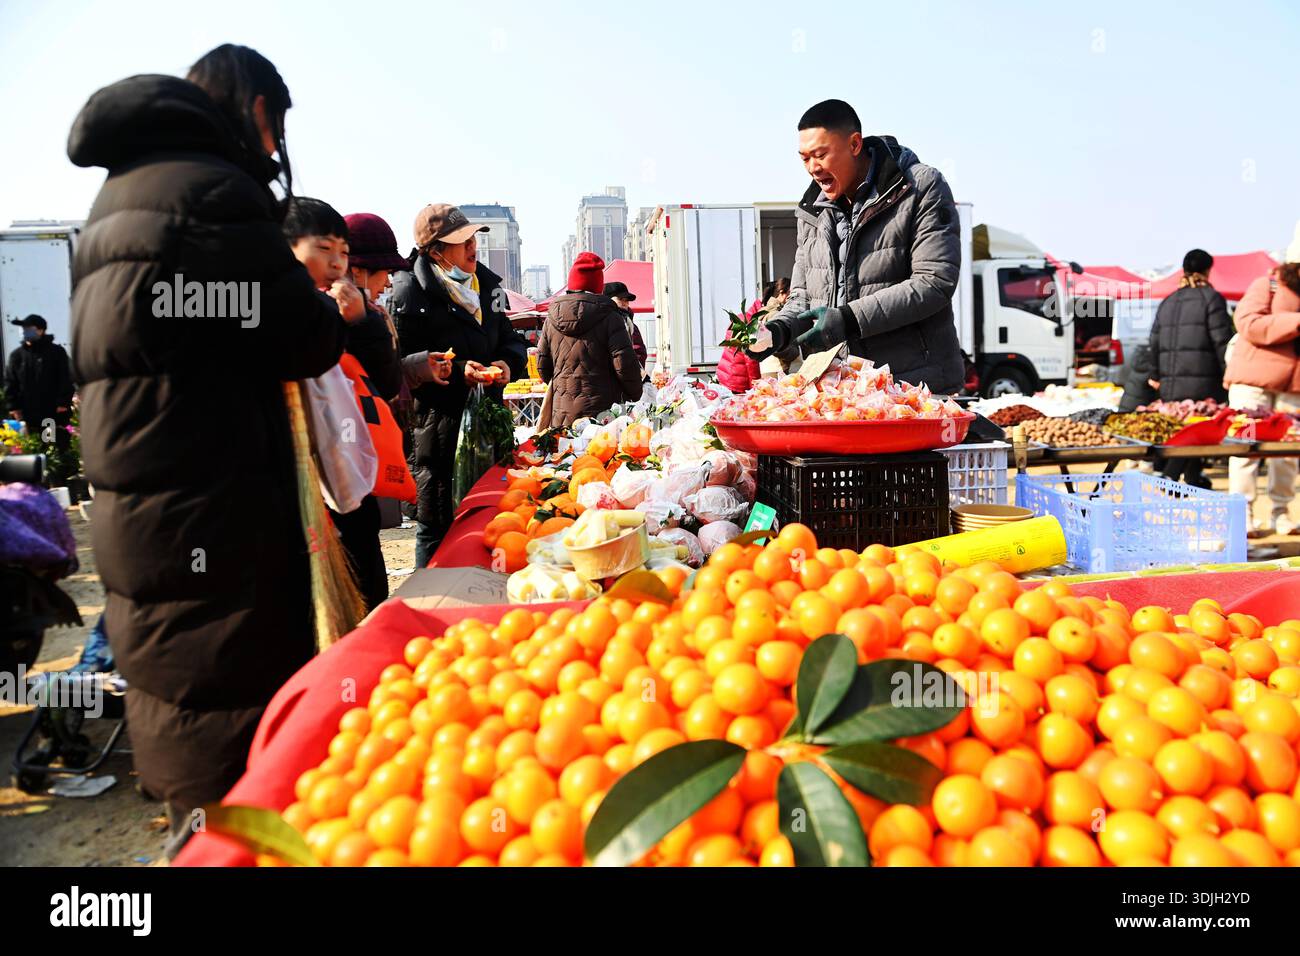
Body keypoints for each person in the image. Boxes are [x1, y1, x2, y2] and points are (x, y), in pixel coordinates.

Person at [66, 44, 362, 856]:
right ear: (258, 110)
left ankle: (197, 838)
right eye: (277, 127)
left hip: (146, 509)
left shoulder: (119, 197)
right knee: (234, 733)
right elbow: (296, 336)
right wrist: (337, 311)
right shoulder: (214, 195)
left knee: (182, 702)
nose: (275, 151)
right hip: (214, 510)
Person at [752, 99, 964, 394]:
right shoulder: (812, 211)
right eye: (804, 158)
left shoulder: (920, 187)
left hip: (912, 389)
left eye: (821, 155)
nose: (813, 168)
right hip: (842, 393)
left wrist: (848, 320)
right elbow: (803, 296)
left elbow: (934, 282)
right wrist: (779, 331)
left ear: (854, 144)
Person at [390, 204, 528, 568]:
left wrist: (505, 365)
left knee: (489, 522)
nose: (472, 246)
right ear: (436, 251)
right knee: (436, 530)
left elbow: (512, 341)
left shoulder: (490, 287)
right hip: (436, 434)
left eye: (472, 238)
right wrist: (457, 371)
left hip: (489, 428)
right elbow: (399, 369)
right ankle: (429, 609)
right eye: (461, 241)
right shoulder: (408, 293)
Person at [284, 198, 400, 612]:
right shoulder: (284, 309)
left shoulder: (362, 311)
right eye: (324, 249)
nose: (336, 262)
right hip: (312, 478)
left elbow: (383, 381)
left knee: (366, 579)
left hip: (351, 469)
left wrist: (361, 320)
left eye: (343, 251)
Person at [1223, 239, 1300, 536]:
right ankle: (1243, 514)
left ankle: (1281, 511)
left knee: (1289, 452)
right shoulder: (1267, 284)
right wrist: (1295, 321)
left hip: (1293, 386)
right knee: (1244, 447)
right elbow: (1247, 323)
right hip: (1253, 381)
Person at [1147, 249, 1233, 488]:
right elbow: (1222, 341)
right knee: (1196, 432)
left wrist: (1155, 373)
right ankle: (1169, 477)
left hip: (1172, 384)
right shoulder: (1211, 298)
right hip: (1203, 382)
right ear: (1207, 270)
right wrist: (1229, 372)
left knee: (1188, 432)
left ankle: (1193, 481)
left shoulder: (1169, 301)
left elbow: (1153, 340)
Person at [538, 252, 643, 428]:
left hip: (562, 414)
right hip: (603, 414)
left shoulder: (551, 319)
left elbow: (542, 365)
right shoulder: (611, 317)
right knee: (600, 455)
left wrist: (564, 385)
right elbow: (625, 365)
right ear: (598, 286)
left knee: (566, 454)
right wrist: (635, 393)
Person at [5, 314, 74, 443]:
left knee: (50, 447)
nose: (24, 331)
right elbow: (10, 383)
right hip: (26, 415)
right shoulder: (16, 356)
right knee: (28, 448)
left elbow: (66, 379)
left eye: (29, 328)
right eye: (23, 328)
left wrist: (62, 403)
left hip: (51, 413)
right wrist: (13, 407)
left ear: (41, 330)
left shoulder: (56, 353)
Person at [719, 279, 791, 393]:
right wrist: (755, 385)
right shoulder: (752, 324)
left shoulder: (743, 317)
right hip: (737, 378)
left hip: (728, 375)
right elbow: (751, 359)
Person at [603, 280, 647, 369]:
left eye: (627, 300)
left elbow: (639, 350)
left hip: (627, 372)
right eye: (620, 299)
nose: (624, 303)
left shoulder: (630, 323)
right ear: (608, 299)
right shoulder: (602, 321)